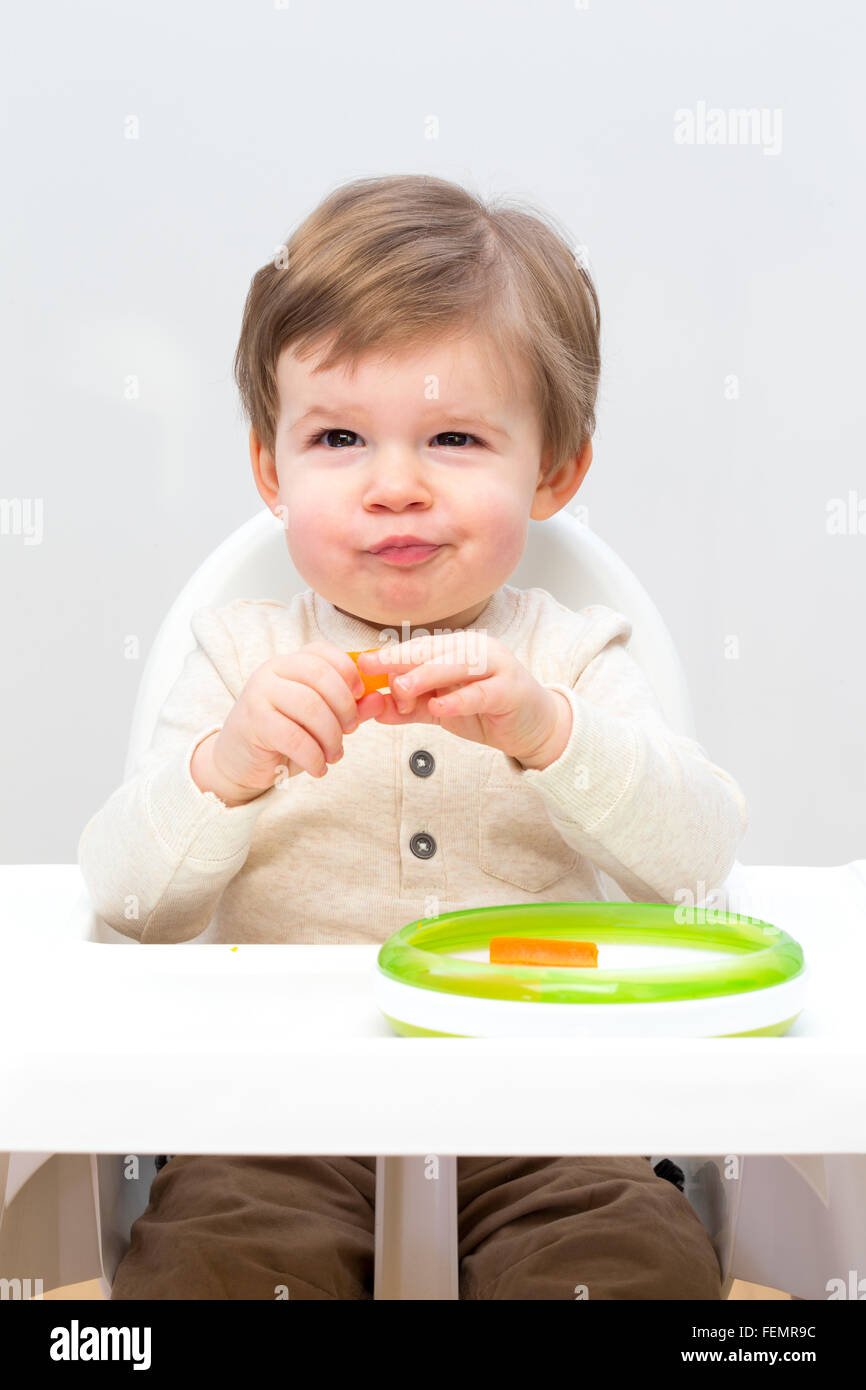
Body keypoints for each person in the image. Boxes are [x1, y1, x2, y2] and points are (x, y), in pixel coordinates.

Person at [79, 173, 748, 1299]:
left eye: (452, 436)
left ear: (553, 471)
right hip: (276, 1119)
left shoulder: (572, 655)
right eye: (339, 436)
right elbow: (126, 901)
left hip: (551, 1112)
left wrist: (550, 732)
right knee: (216, 1269)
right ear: (271, 469)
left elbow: (699, 862)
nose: (395, 486)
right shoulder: (241, 657)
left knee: (627, 1265)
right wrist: (224, 767)